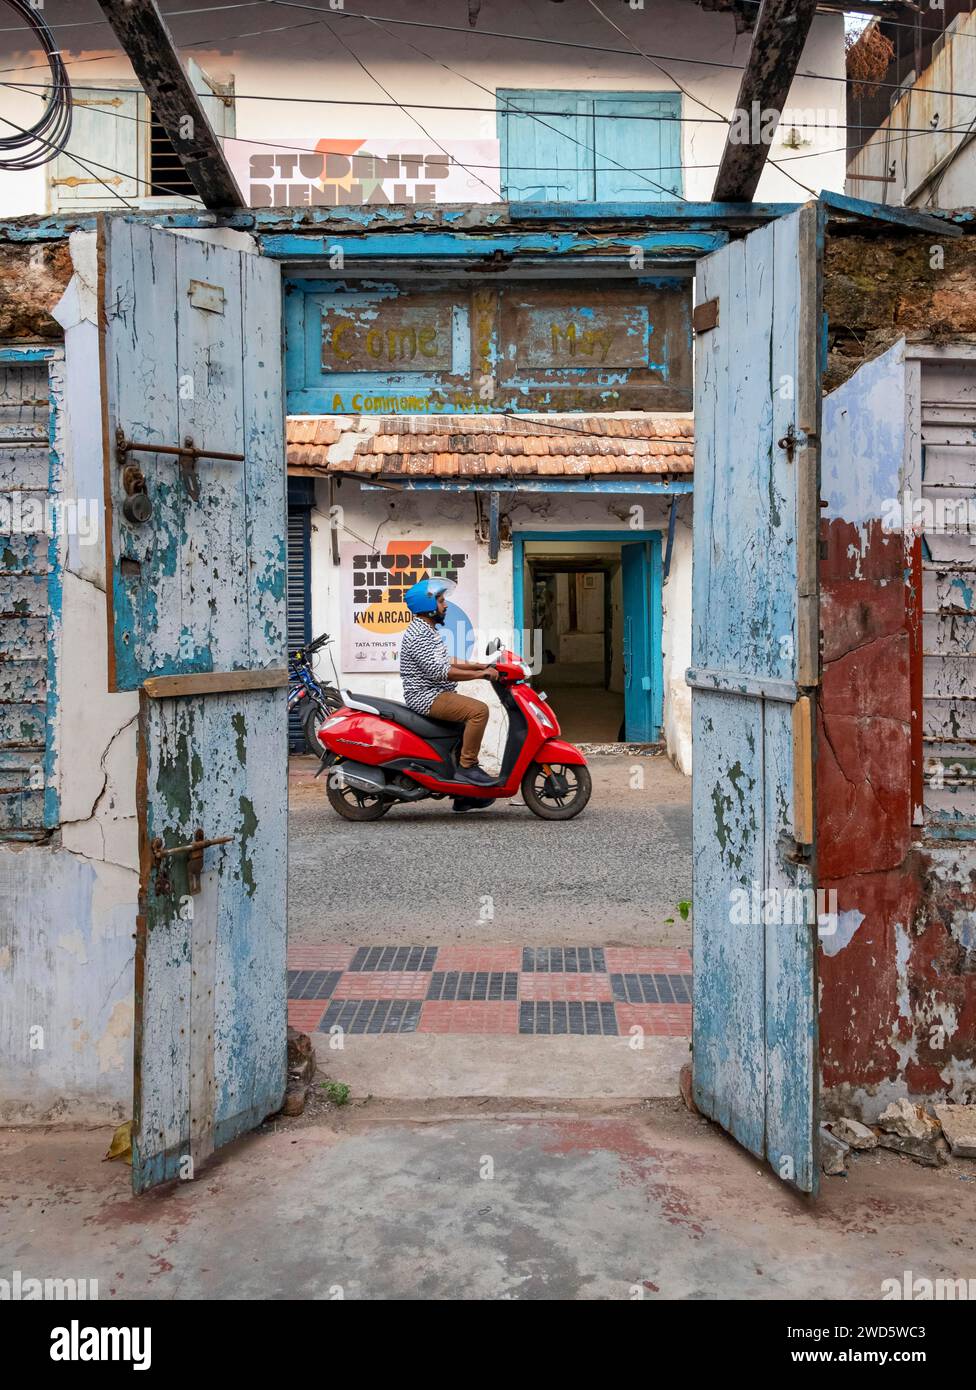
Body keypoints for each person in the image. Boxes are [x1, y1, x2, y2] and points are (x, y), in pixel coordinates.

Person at [400, 578, 499, 804]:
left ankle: (463, 794)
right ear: (427, 605)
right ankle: (467, 767)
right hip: (426, 696)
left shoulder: (427, 630)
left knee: (463, 726)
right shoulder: (419, 634)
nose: (445, 606)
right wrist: (480, 675)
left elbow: (447, 660)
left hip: (435, 693)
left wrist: (479, 665)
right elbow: (440, 671)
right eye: (441, 601)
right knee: (478, 711)